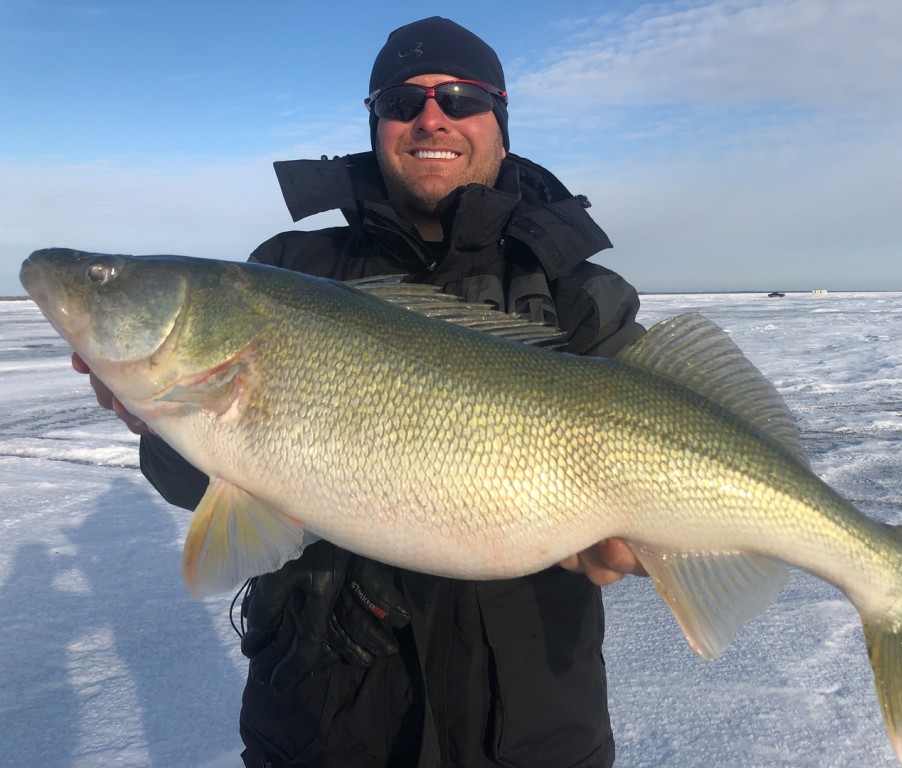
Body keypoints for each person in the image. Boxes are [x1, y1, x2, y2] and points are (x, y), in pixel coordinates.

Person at [74, 16, 648, 768]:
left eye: (460, 97)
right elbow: (209, 485)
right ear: (376, 126)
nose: (430, 117)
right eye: (402, 102)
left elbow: (658, 472)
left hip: (533, 730)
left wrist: (644, 544)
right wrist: (163, 427)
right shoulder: (289, 273)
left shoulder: (581, 295)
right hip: (325, 724)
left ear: (499, 123)